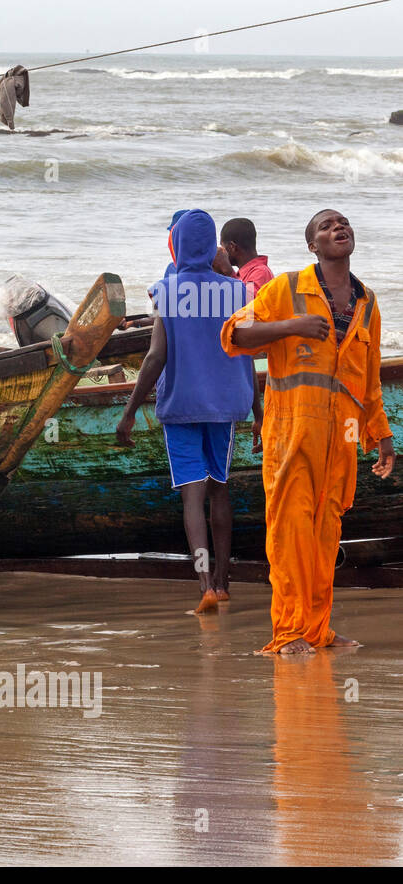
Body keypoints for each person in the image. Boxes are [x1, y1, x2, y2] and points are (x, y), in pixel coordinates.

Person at [221, 209, 394, 654]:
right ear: (312, 246)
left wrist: (383, 436)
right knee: (290, 534)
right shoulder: (287, 289)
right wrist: (291, 326)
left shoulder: (368, 303)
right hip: (292, 435)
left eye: (343, 222)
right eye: (326, 226)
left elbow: (368, 381)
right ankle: (289, 633)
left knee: (325, 536)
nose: (339, 228)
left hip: (343, 442)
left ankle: (318, 630)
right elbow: (233, 335)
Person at [116, 210, 261, 613]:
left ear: (178, 245)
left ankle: (204, 586)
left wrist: (129, 412)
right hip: (226, 404)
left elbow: (155, 357)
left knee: (192, 498)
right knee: (220, 490)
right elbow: (246, 354)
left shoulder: (167, 290)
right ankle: (224, 580)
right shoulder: (237, 291)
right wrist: (259, 411)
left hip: (182, 404)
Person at [220, 217, 276, 297]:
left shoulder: (260, 272)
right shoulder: (243, 274)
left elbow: (248, 302)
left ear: (232, 247)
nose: (222, 251)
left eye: (223, 247)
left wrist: (228, 272)